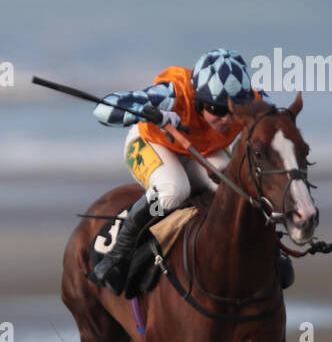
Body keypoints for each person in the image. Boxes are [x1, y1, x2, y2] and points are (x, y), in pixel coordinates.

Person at [89, 48, 265, 294]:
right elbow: (102, 111)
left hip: (200, 151)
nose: (227, 119)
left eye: (235, 110)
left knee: (236, 190)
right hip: (152, 144)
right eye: (217, 109)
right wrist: (146, 110)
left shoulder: (252, 100)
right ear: (198, 101)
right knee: (174, 191)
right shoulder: (172, 92)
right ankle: (120, 251)